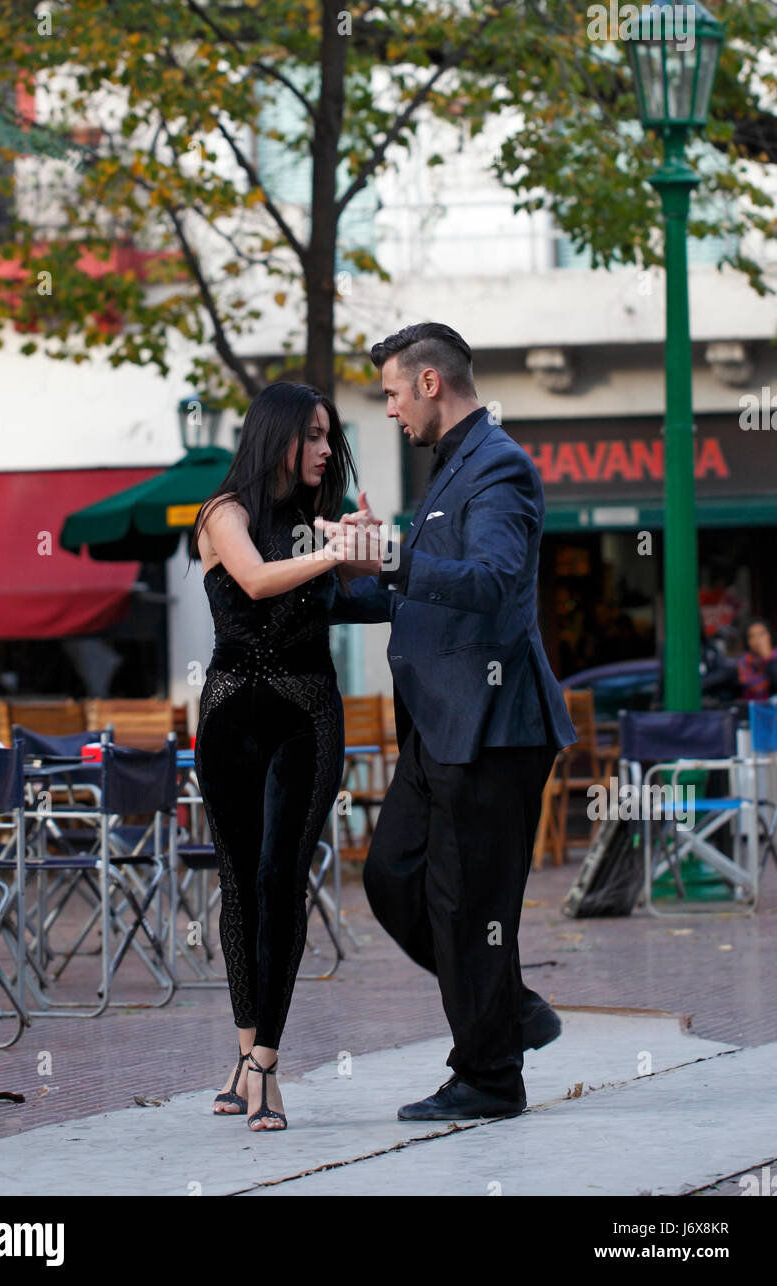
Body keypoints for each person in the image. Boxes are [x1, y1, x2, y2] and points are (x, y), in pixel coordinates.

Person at [320, 322, 577, 1121]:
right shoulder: (449, 472)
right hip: (440, 727)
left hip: (493, 726)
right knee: (394, 881)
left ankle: (490, 1076)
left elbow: (494, 581)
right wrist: (318, 583)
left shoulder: (497, 467)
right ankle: (511, 1013)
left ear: (430, 383)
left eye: (394, 392)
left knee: (469, 905)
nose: (391, 409)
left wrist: (388, 555)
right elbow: (416, 592)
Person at [192, 382, 382, 1132]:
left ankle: (267, 1061)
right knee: (238, 882)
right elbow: (255, 579)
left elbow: (368, 570)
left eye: (328, 437)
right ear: (277, 438)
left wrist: (364, 546)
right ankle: (245, 1052)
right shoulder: (222, 514)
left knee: (280, 877)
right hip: (230, 719)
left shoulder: (316, 523)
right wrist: (333, 550)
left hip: (308, 717)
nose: (325, 450)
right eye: (313, 436)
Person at [737, 617, 777, 701]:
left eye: (761, 634)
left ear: (770, 635)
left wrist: (767, 657)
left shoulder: (776, 657)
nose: (757, 639)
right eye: (752, 636)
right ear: (747, 642)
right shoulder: (745, 661)